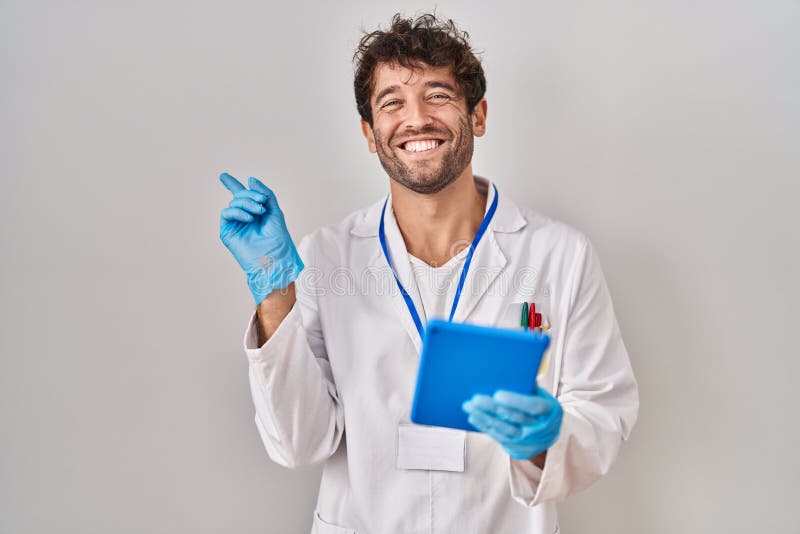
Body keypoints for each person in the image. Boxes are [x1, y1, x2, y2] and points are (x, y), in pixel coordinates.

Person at [218, 13, 638, 534]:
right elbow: (298, 443)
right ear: (371, 134)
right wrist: (274, 292)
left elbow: (604, 412)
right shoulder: (326, 257)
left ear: (477, 116)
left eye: (437, 95)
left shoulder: (559, 254)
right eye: (392, 102)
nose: (415, 119)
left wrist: (546, 442)